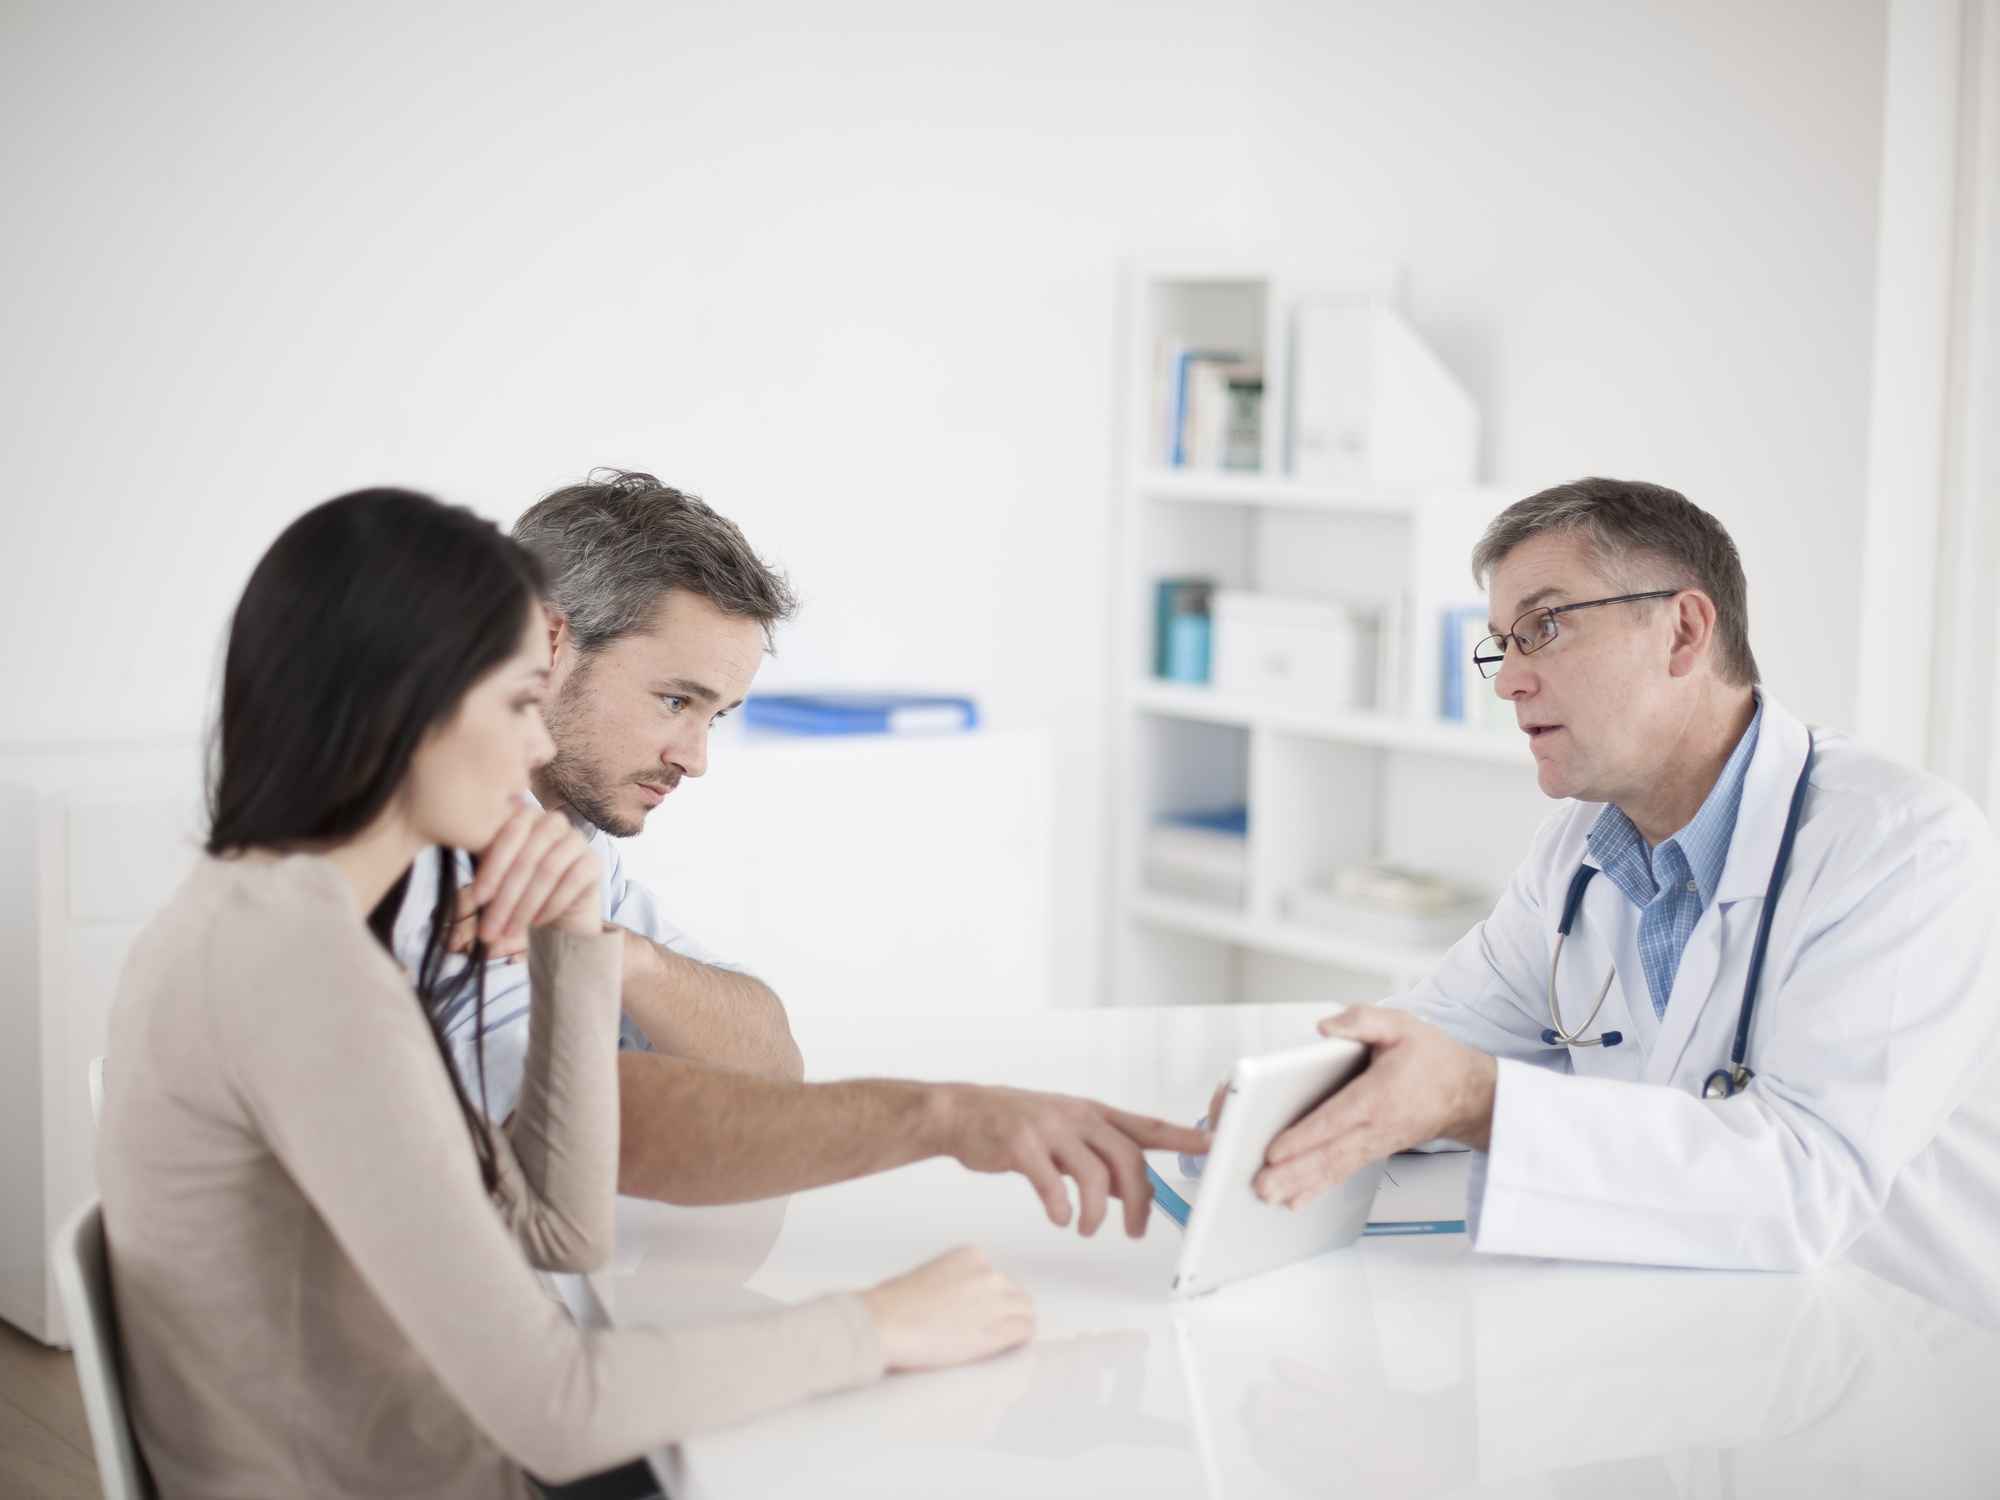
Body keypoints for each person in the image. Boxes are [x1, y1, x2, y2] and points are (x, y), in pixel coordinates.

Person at [97, 489, 1035, 1500]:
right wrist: (879, 1325)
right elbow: (560, 1411)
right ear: (407, 706)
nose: (536, 749)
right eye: (516, 703)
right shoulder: (305, 975)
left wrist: (576, 943)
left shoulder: (299, 917)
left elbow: (559, 1233)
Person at [1229, 477, 2000, 1322]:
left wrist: (1480, 1102)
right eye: (1501, 645)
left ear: (1683, 631)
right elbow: (1438, 1036)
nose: (1507, 682)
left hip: (1907, 1345)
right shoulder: (1578, 854)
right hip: (1700, 1334)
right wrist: (1271, 1108)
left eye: (1544, 627)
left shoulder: (1904, 848)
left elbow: (1808, 1182)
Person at [397, 469, 1207, 1238]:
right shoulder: (434, 849)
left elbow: (768, 1061)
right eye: (675, 701)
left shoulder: (566, 830)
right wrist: (943, 1118)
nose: (694, 759)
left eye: (715, 717)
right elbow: (579, 1125)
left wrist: (622, 957)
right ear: (548, 643)